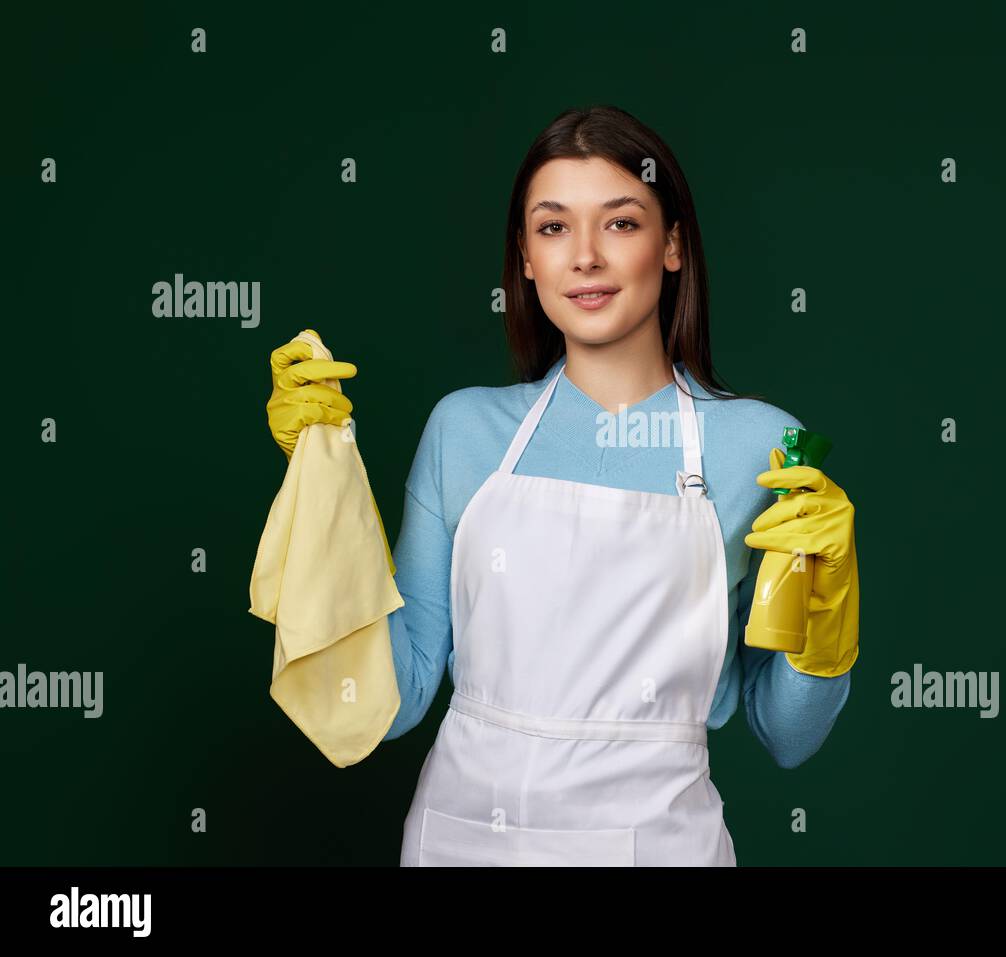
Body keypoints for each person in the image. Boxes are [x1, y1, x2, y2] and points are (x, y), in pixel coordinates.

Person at [264, 105, 860, 866]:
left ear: (672, 245)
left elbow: (789, 735)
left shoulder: (761, 448)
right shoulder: (464, 431)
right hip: (462, 842)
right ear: (525, 256)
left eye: (620, 223)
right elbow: (397, 697)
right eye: (553, 227)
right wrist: (322, 481)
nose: (584, 257)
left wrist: (829, 617)